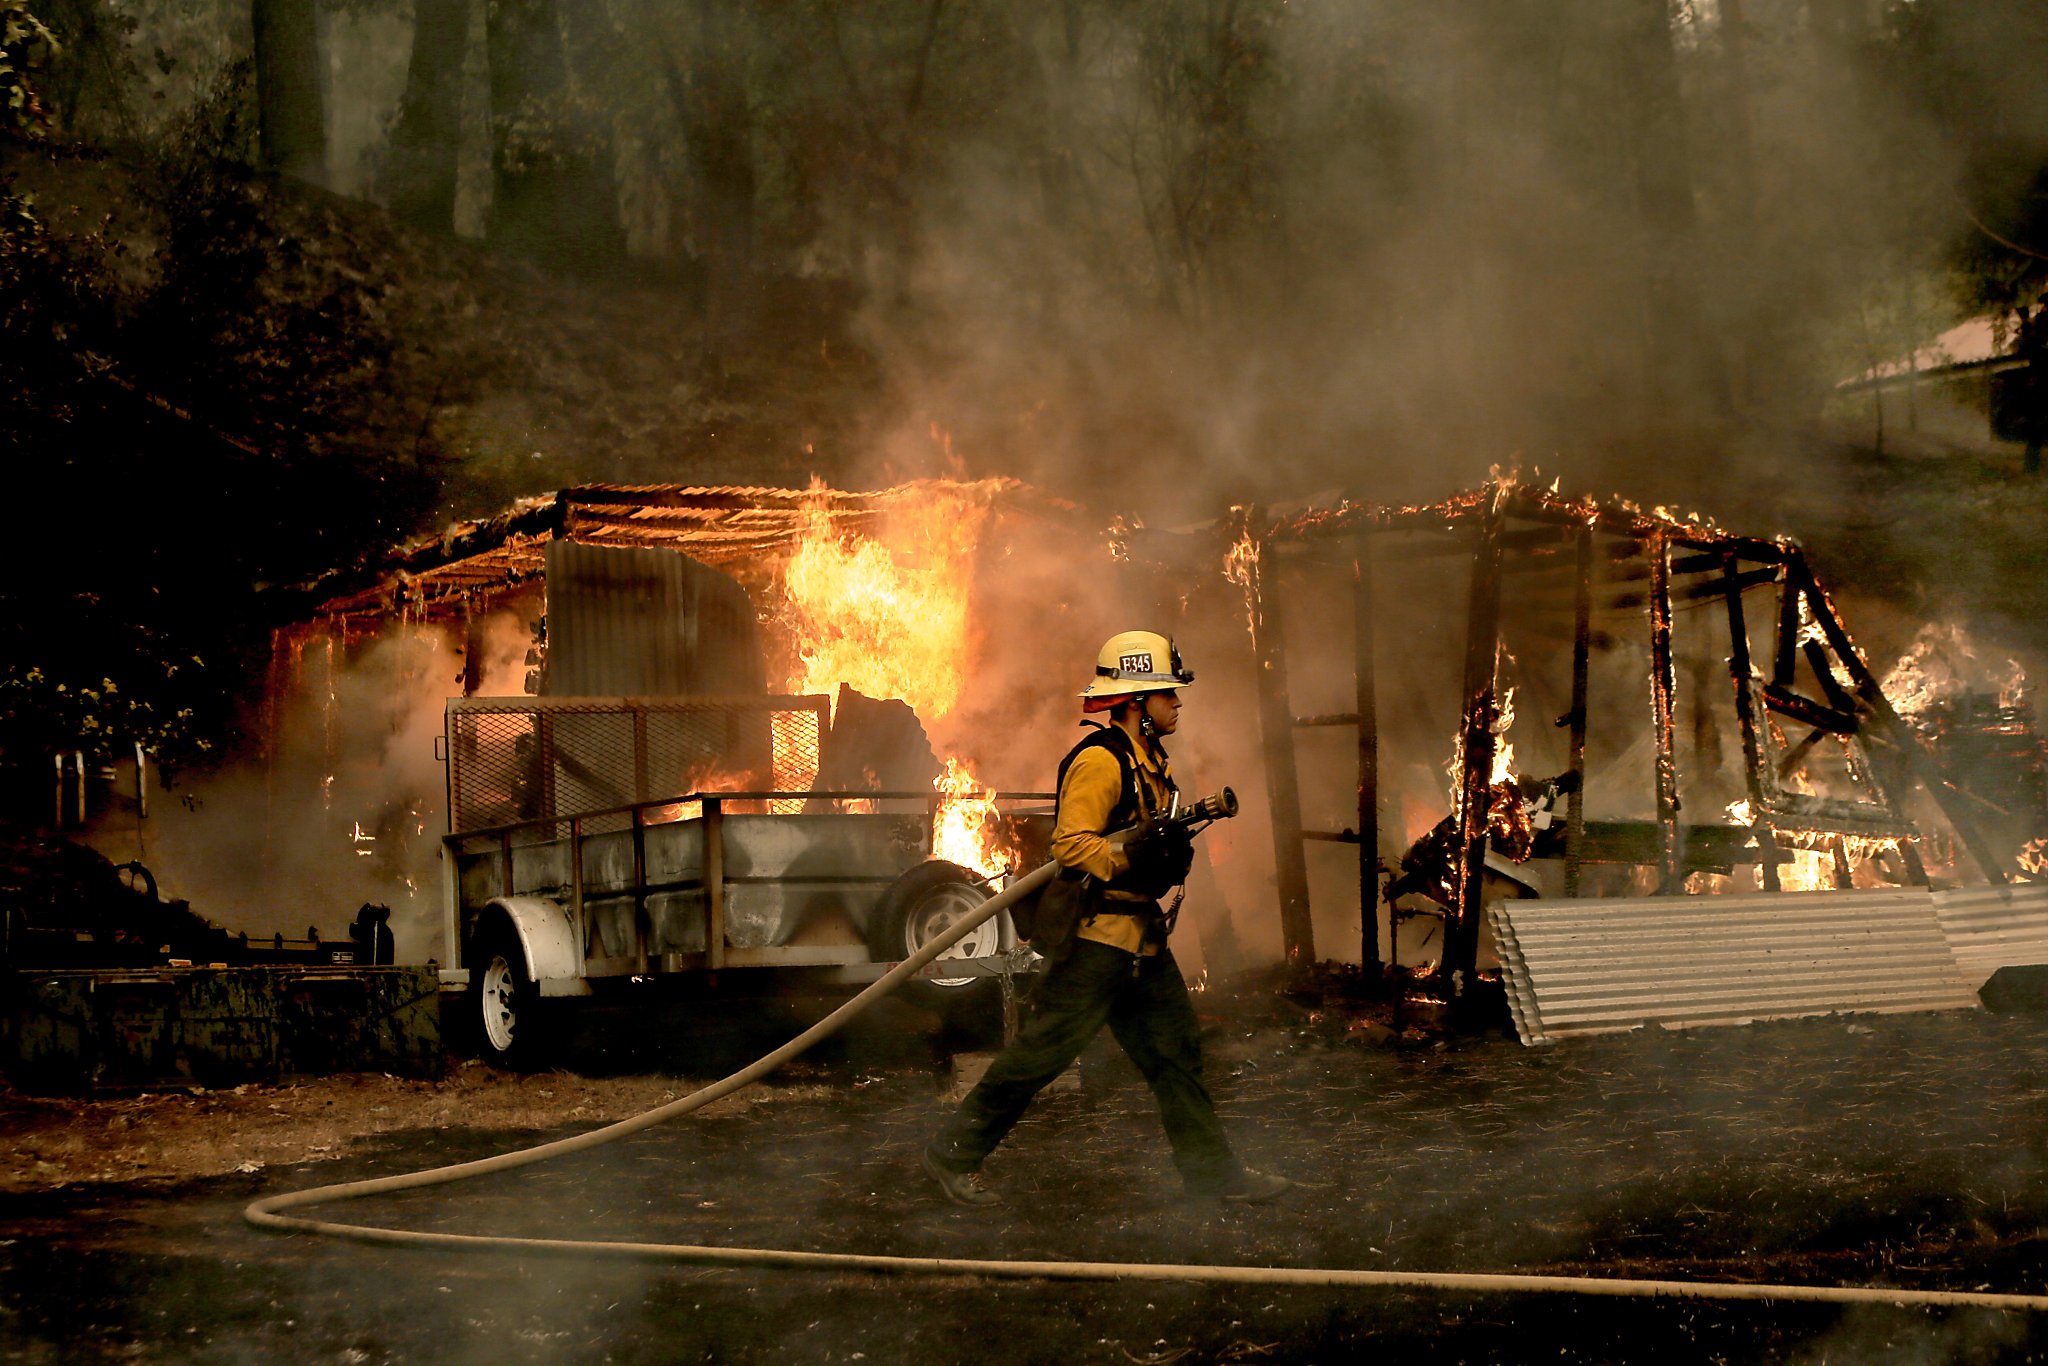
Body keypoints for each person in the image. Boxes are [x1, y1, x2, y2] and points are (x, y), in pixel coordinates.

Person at [923, 630, 1290, 1207]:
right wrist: (1128, 857)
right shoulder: (1100, 761)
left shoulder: (1152, 762)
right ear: (1136, 702)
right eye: (1167, 692)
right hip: (1097, 945)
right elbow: (1071, 845)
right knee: (1040, 1057)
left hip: (1141, 942)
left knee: (1176, 1054)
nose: (1177, 702)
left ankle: (1213, 1176)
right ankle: (951, 1155)